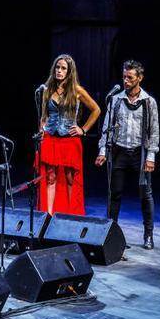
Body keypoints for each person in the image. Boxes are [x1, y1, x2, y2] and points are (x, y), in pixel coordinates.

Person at [95, 60, 160, 249]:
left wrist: (150, 157)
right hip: (120, 151)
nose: (126, 81)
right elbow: (107, 128)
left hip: (140, 152)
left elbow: (154, 131)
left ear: (139, 78)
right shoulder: (116, 99)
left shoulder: (149, 102)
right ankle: (110, 235)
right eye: (124, 77)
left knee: (145, 195)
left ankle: (148, 235)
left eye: (130, 77)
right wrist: (102, 151)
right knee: (114, 194)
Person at [38, 54, 101, 215]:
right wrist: (41, 127)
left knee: (70, 179)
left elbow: (96, 110)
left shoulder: (77, 90)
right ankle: (48, 217)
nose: (59, 71)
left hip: (69, 141)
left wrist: (83, 129)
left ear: (69, 71)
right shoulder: (47, 89)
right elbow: (44, 115)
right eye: (57, 67)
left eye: (63, 68)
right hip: (50, 138)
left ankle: (71, 217)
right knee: (50, 178)